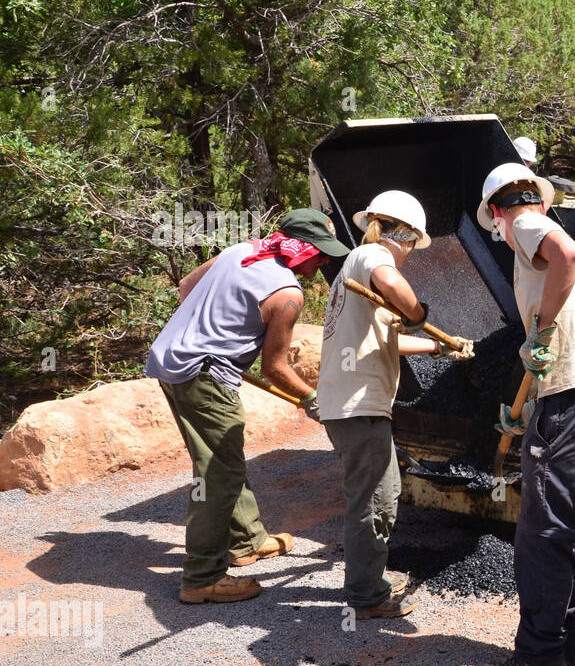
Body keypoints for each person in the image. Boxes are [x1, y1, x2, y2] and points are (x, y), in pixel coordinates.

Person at [469, 163, 575, 666]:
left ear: (496, 213)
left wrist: (540, 329)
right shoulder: (548, 251)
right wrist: (527, 404)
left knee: (541, 538)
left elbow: (568, 253)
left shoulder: (526, 225)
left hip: (572, 404)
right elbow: (551, 342)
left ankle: (537, 659)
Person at [146, 209, 349, 604]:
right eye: (320, 254)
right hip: (202, 376)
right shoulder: (287, 294)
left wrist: (208, 328)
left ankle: (246, 542)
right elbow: (275, 368)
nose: (323, 262)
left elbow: (187, 287)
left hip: (171, 360)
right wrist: (313, 399)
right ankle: (201, 576)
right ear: (301, 247)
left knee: (224, 458)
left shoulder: (240, 251)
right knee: (218, 473)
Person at [317, 191, 473, 620]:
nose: (409, 256)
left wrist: (437, 348)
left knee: (377, 495)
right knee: (375, 500)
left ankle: (368, 583)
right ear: (403, 237)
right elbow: (393, 284)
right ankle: (367, 598)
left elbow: (387, 341)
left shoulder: (353, 271)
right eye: (411, 246)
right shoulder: (371, 258)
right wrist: (419, 311)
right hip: (358, 405)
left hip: (348, 404)